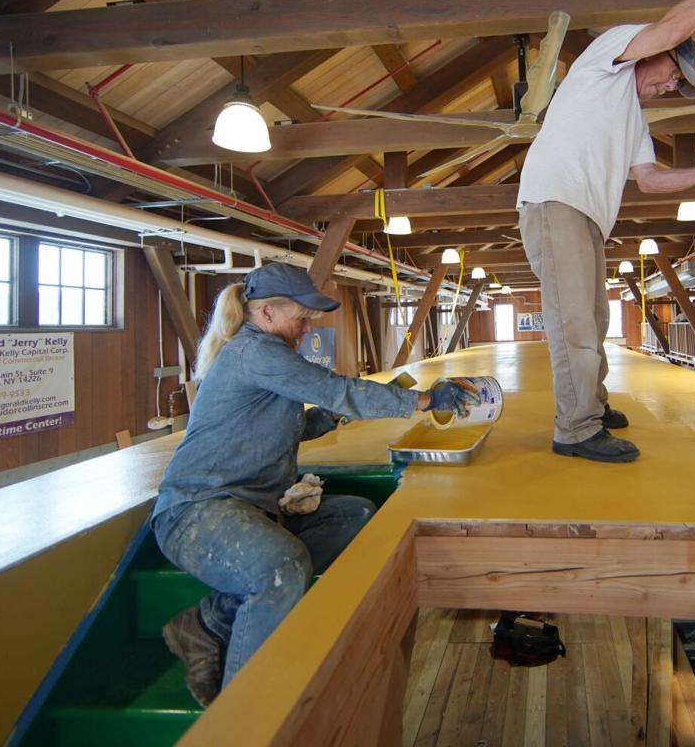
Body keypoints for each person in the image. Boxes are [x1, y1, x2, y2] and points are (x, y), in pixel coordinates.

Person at [150, 262, 475, 706]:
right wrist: (423, 399)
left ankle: (207, 624)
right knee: (280, 567)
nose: (305, 330)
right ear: (265, 315)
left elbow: (280, 427)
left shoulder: (264, 354)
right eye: (300, 319)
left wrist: (325, 418)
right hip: (197, 511)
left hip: (249, 507)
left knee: (356, 515)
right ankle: (245, 712)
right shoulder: (256, 352)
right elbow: (337, 388)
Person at [516, 0, 695, 463]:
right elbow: (668, 30)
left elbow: (649, 180)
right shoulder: (607, 58)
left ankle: (592, 406)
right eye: (673, 73)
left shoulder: (632, 121)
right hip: (556, 199)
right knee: (574, 321)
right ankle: (575, 429)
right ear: (649, 52)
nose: (671, 86)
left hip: (587, 216)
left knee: (594, 319)